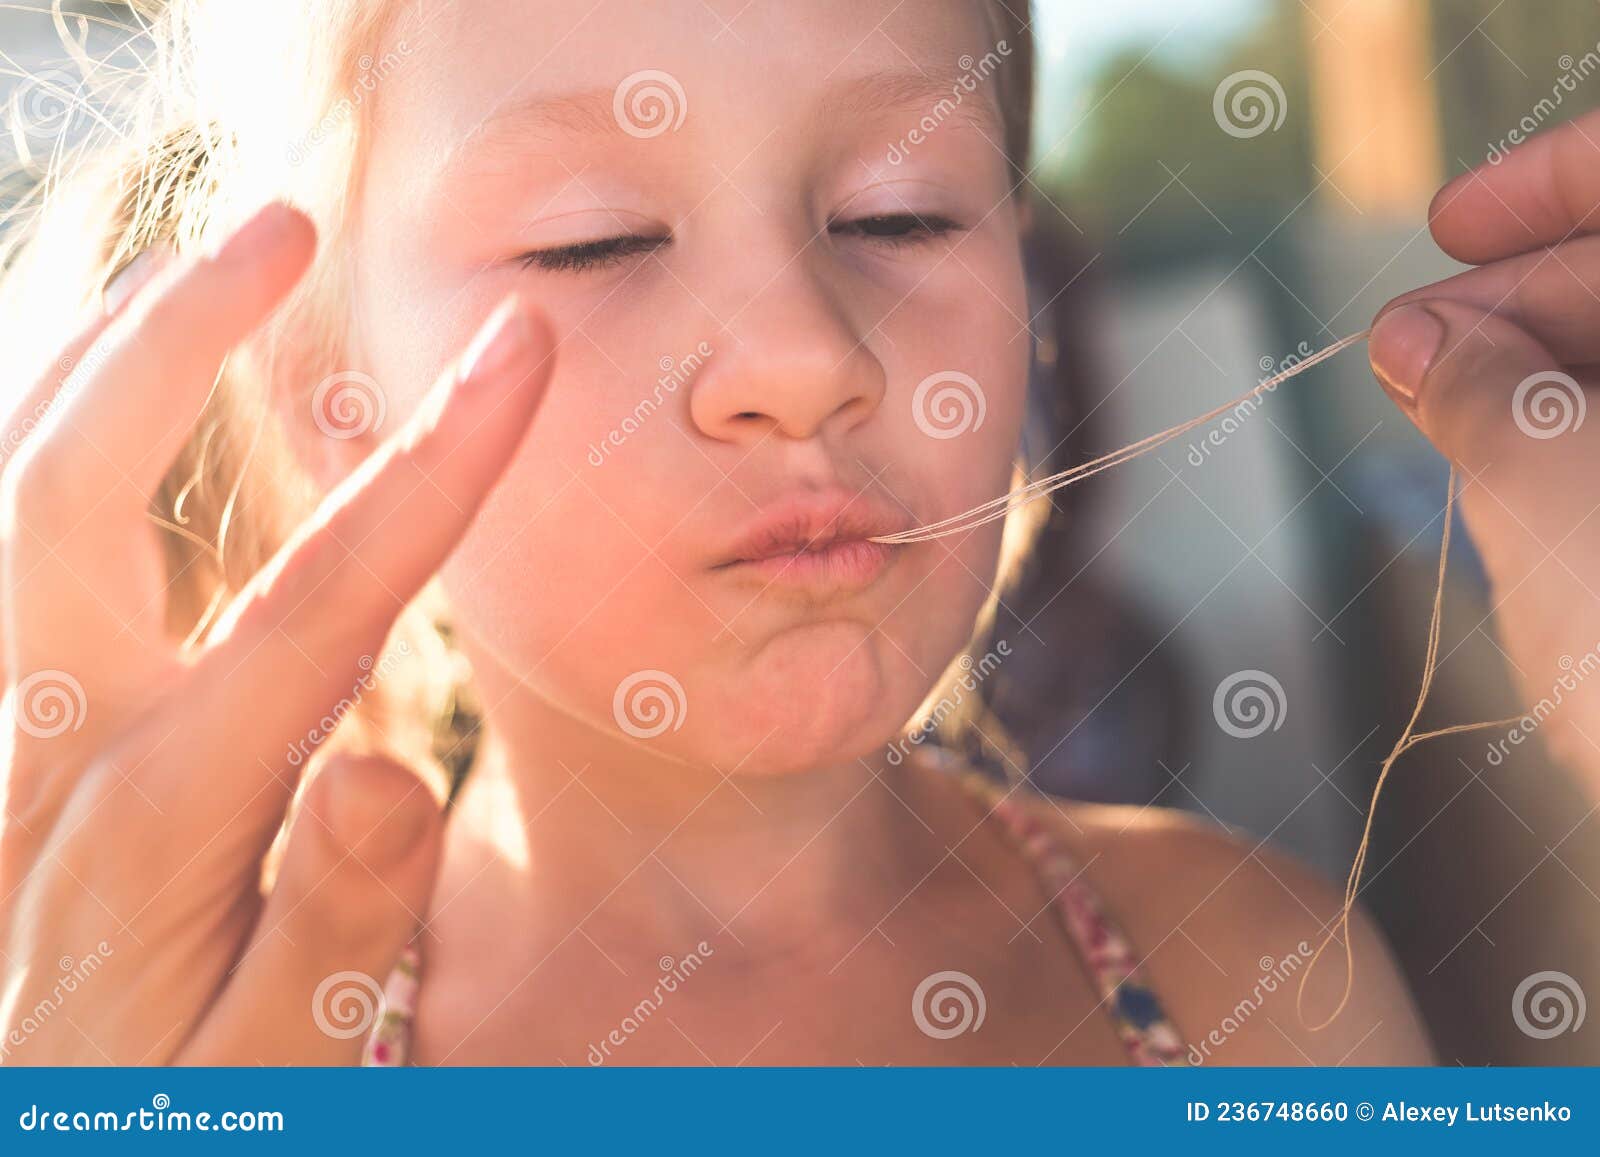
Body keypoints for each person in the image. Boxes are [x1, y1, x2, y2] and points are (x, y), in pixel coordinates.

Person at [0, 0, 1573, 1068]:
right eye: (593, 238)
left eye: (902, 212)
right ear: (325, 389)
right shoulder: (234, 1054)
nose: (806, 354)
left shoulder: (1267, 974)